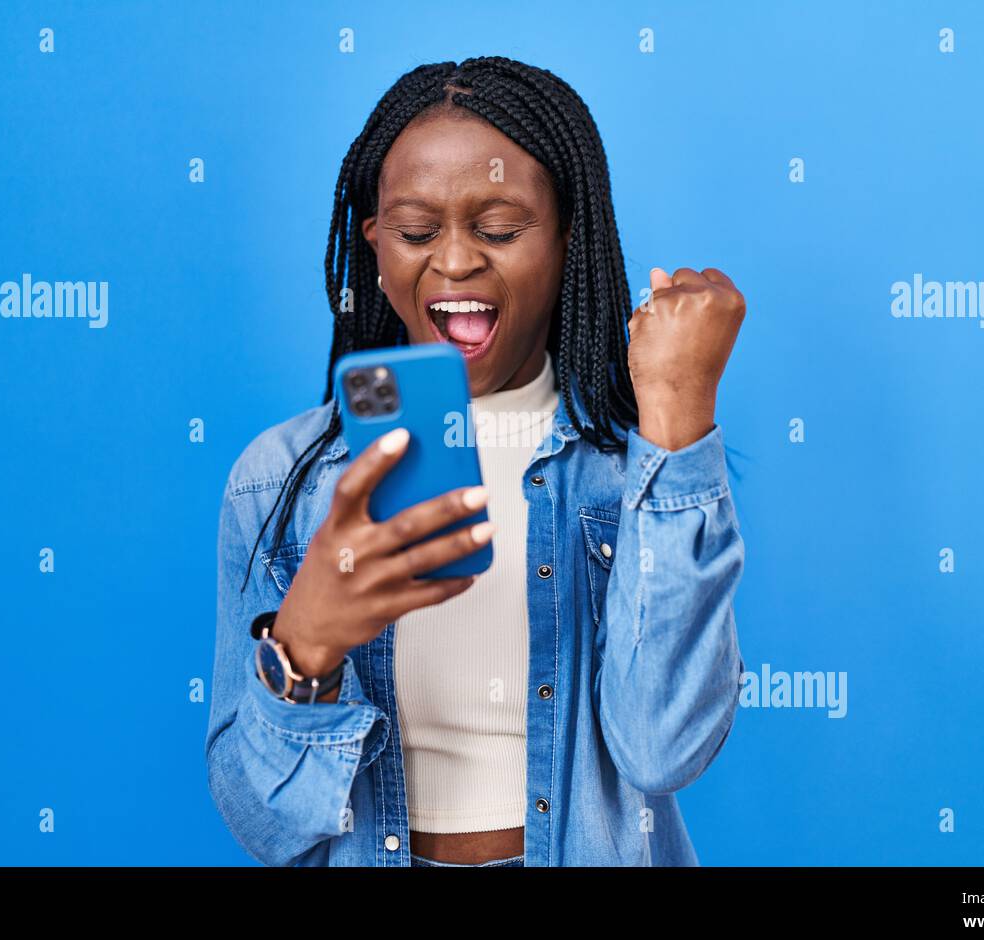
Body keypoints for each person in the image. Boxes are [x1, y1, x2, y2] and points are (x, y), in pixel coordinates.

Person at [206, 56, 748, 867]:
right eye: (417, 232)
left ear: (569, 235)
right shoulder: (280, 482)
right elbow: (262, 822)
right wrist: (305, 649)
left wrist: (674, 416)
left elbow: (664, 749)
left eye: (498, 229)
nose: (456, 262)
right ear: (377, 247)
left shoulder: (631, 473)